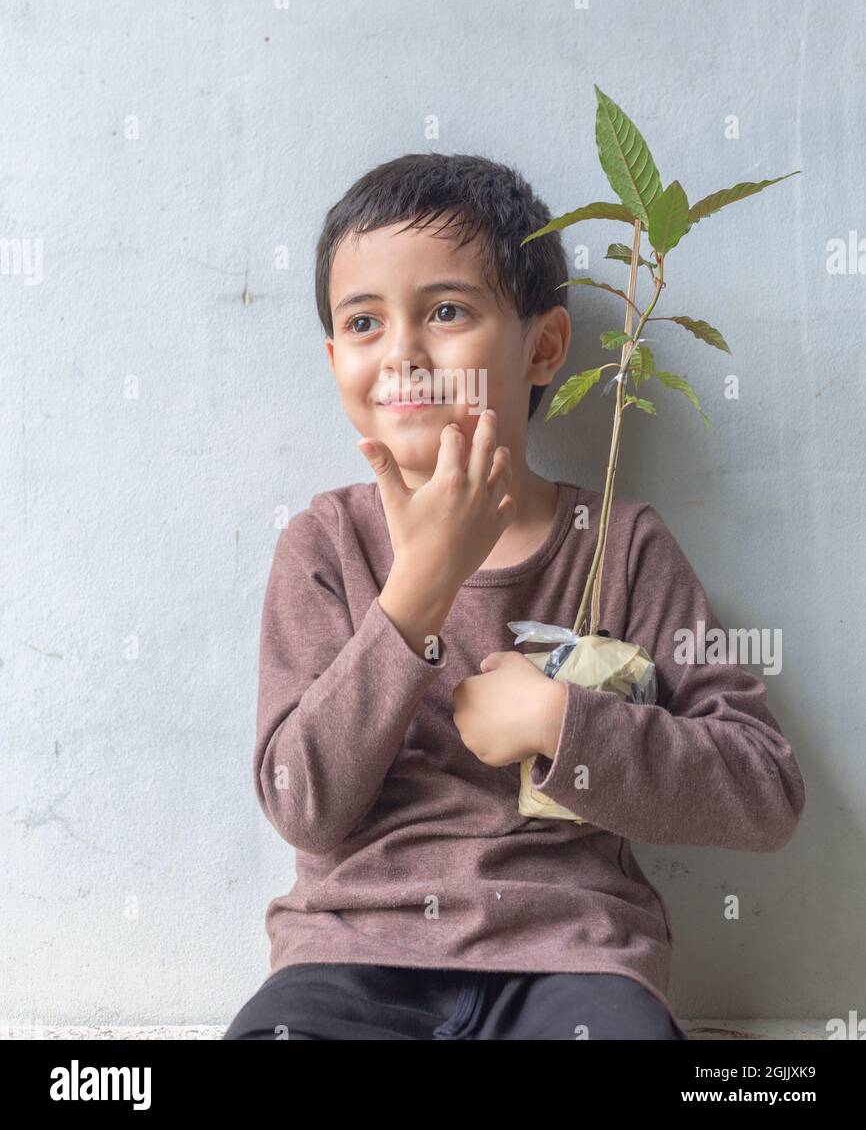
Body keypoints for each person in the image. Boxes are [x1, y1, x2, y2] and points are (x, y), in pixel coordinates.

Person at [223, 153, 805, 1040]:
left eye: (447, 310)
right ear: (337, 358)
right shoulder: (324, 546)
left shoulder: (621, 544)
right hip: (350, 960)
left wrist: (560, 724)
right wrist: (414, 596)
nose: (406, 352)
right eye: (365, 322)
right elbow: (303, 804)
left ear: (543, 346)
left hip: (572, 960)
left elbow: (764, 793)